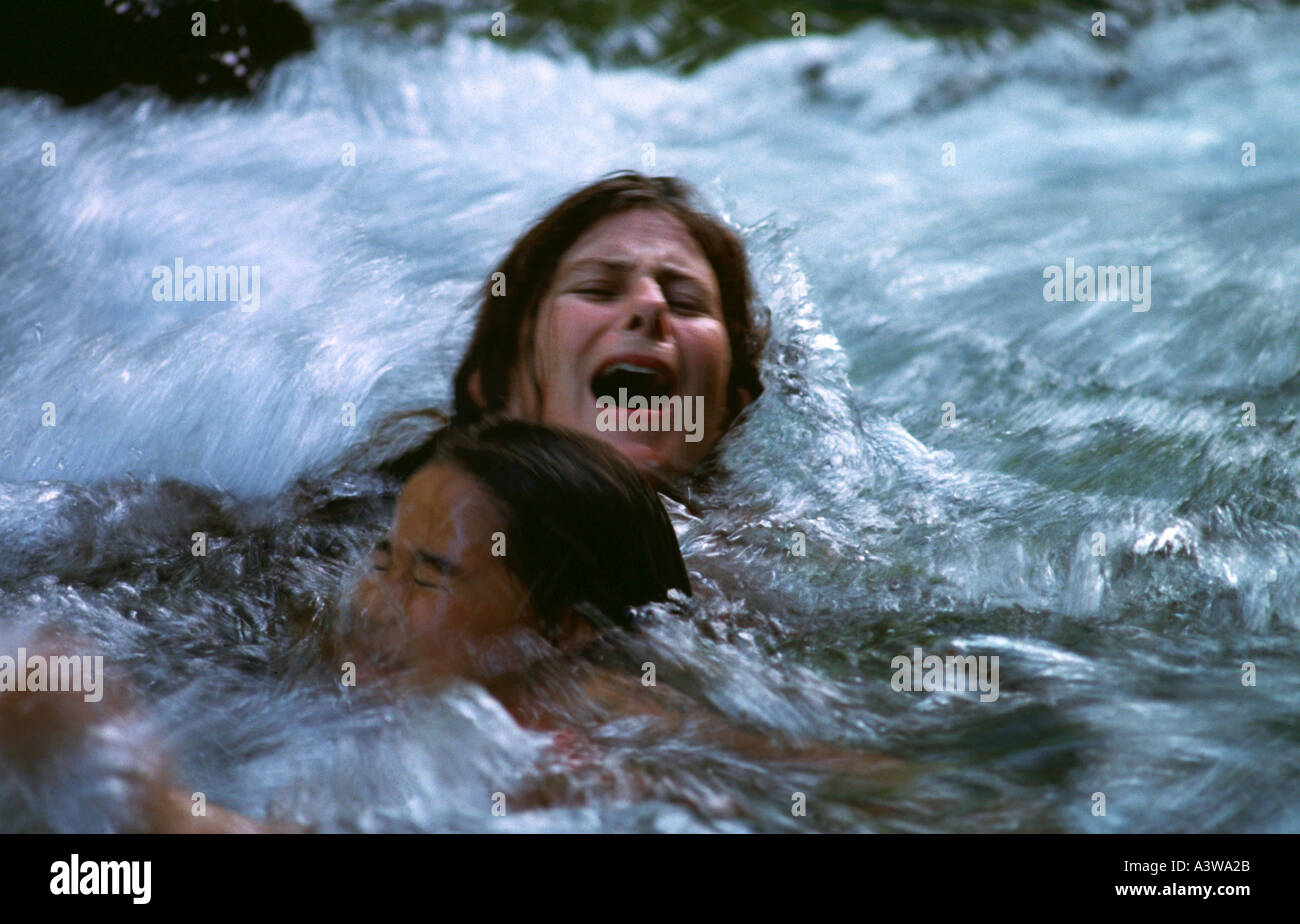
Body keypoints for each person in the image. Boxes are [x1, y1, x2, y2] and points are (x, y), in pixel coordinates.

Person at [448, 171, 768, 486]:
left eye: (685, 302)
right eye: (597, 289)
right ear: (499, 385)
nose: (651, 303)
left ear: (727, 414)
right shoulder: (414, 522)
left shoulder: (785, 534)